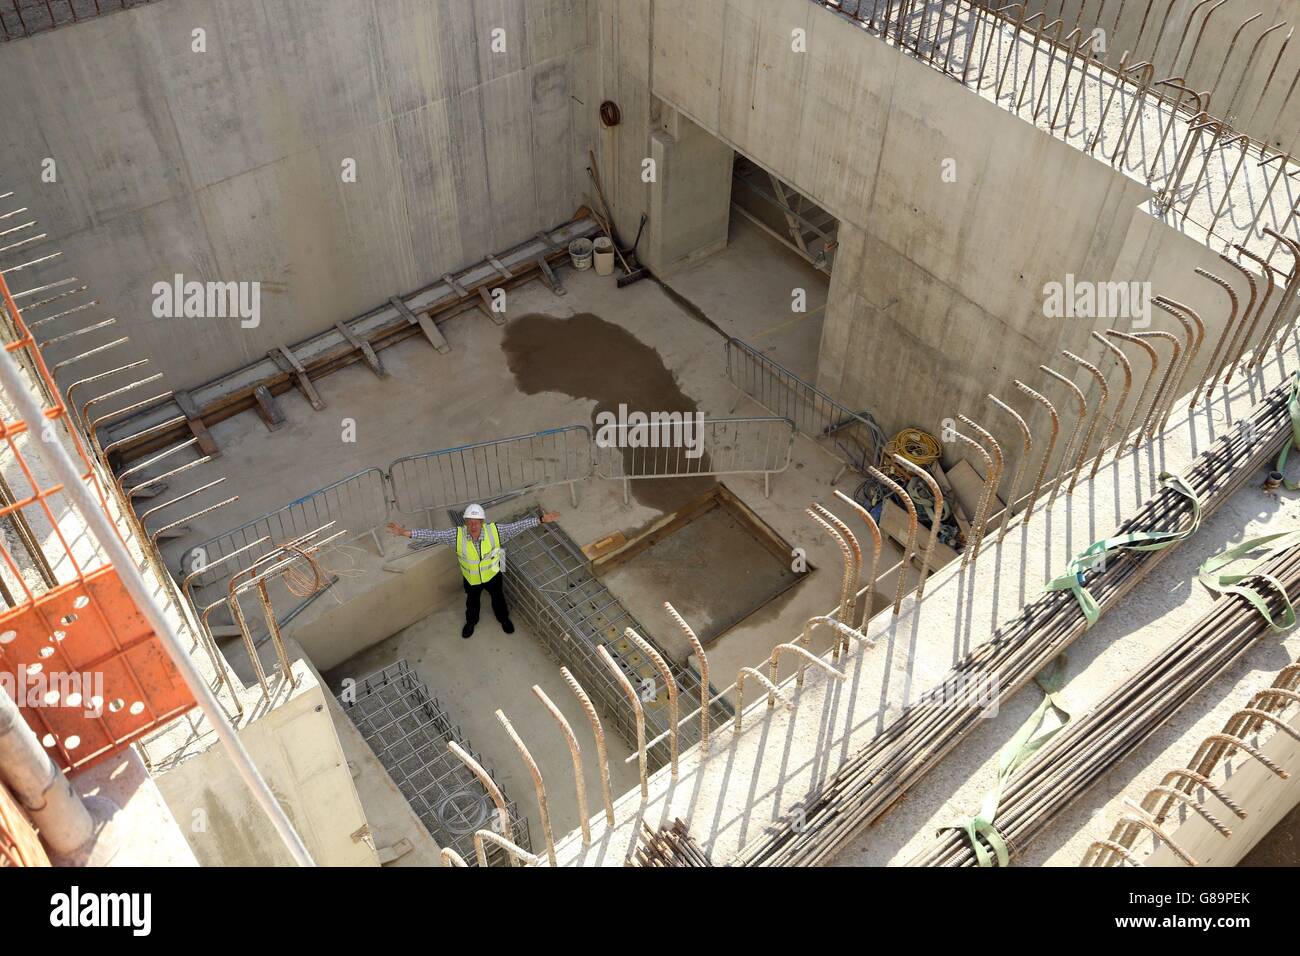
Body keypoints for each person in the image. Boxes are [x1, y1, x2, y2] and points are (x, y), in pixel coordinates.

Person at [386, 504, 559, 639]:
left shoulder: (496, 531)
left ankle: (503, 619)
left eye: (477, 522)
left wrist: (541, 519)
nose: (473, 525)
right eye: (470, 521)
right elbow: (433, 535)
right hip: (472, 579)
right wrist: (404, 533)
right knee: (472, 602)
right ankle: (471, 622)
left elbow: (518, 526)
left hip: (493, 575)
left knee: (498, 598)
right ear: (466, 522)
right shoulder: (456, 535)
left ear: (483, 522)